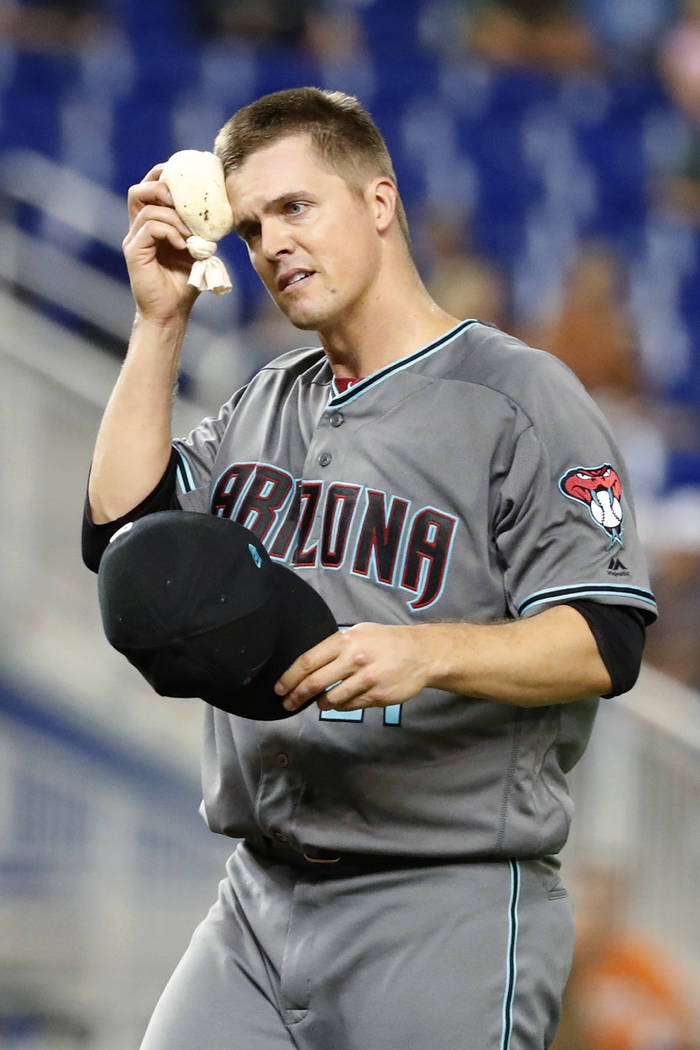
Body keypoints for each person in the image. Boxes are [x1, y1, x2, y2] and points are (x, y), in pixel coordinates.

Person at [82, 87, 657, 1050]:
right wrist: (159, 325)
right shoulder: (267, 398)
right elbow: (124, 542)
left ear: (379, 203)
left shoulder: (519, 397)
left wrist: (428, 652)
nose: (274, 247)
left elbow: (607, 634)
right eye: (255, 225)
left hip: (444, 899)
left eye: (298, 208)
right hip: (257, 901)